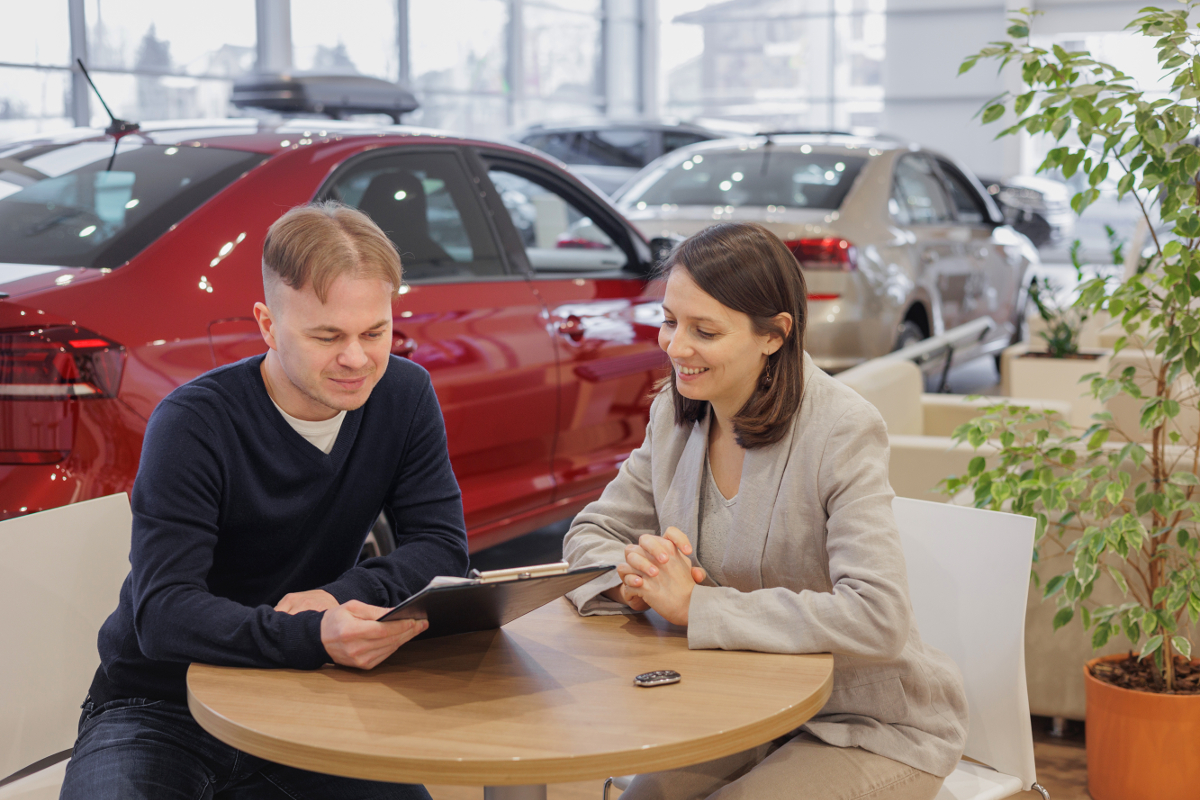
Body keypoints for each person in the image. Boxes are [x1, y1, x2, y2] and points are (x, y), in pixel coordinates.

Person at [60, 202, 469, 800]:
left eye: (375, 332)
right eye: (327, 336)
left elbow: (442, 549)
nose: (357, 359)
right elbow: (164, 613)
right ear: (267, 325)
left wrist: (337, 599)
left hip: (305, 694)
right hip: (159, 707)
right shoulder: (194, 422)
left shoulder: (403, 396)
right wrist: (311, 634)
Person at [563, 222, 968, 800]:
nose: (676, 347)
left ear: (774, 335)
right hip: (746, 710)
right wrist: (633, 576)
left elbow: (877, 617)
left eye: (705, 330)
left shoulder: (840, 428)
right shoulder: (676, 414)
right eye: (670, 321)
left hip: (867, 725)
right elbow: (592, 532)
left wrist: (698, 605)